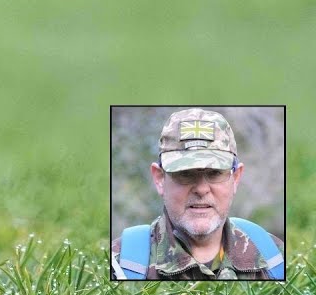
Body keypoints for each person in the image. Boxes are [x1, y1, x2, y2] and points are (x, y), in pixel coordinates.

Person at [111, 108, 283, 280]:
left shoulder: (274, 259)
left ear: (236, 178)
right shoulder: (119, 265)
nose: (201, 189)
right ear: (160, 179)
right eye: (185, 173)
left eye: (215, 173)